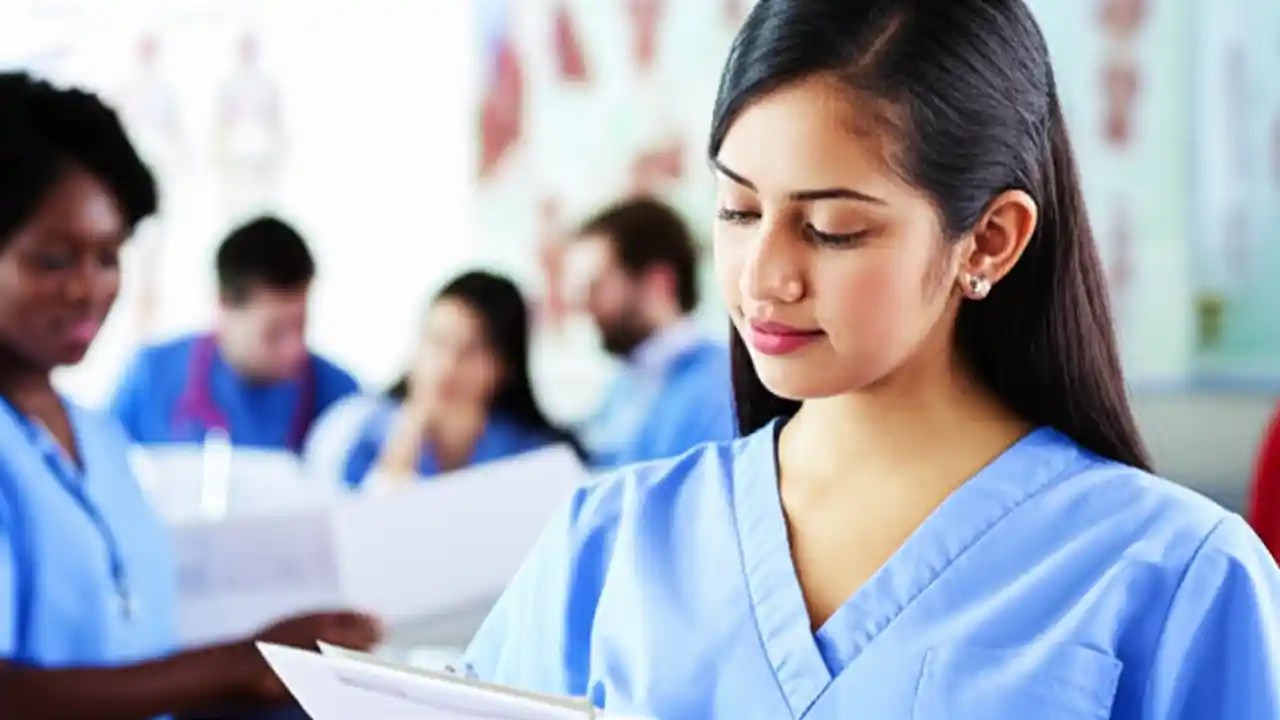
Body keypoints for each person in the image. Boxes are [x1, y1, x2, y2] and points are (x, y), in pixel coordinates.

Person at [464, 2, 1280, 718]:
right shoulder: (610, 543)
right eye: (739, 209)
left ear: (989, 240)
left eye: (832, 229)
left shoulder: (1177, 574)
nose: (763, 277)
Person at [0, 72, 380, 720]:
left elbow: (140, 642)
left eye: (109, 256)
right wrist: (232, 668)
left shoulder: (97, 438)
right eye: (55, 260)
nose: (88, 289)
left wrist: (268, 655)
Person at [306, 271, 580, 489]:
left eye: (471, 350)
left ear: (505, 365)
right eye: (437, 342)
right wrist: (406, 437)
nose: (448, 366)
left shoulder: (533, 455)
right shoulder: (356, 429)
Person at [111, 216, 358, 454]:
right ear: (224, 308)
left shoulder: (340, 398)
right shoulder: (150, 378)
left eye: (301, 326)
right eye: (275, 333)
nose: (294, 349)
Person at [572, 198, 735, 468]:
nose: (584, 305)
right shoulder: (624, 385)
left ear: (658, 282)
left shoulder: (720, 389)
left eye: (596, 286)